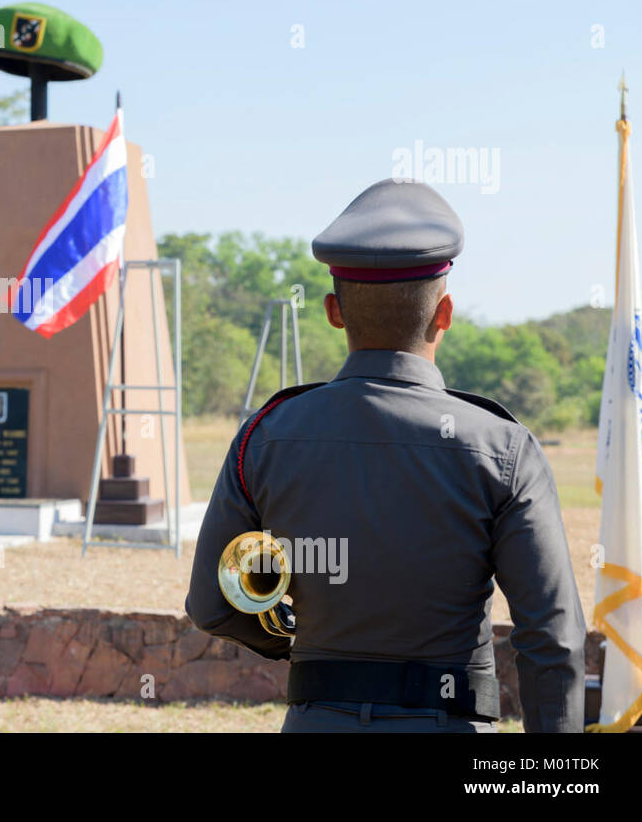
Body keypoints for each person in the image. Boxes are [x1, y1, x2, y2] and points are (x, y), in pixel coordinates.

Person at [186, 178, 587, 732]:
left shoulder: (266, 435)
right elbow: (552, 638)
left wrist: (299, 641)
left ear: (333, 311)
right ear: (444, 313)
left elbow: (213, 603)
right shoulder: (501, 448)